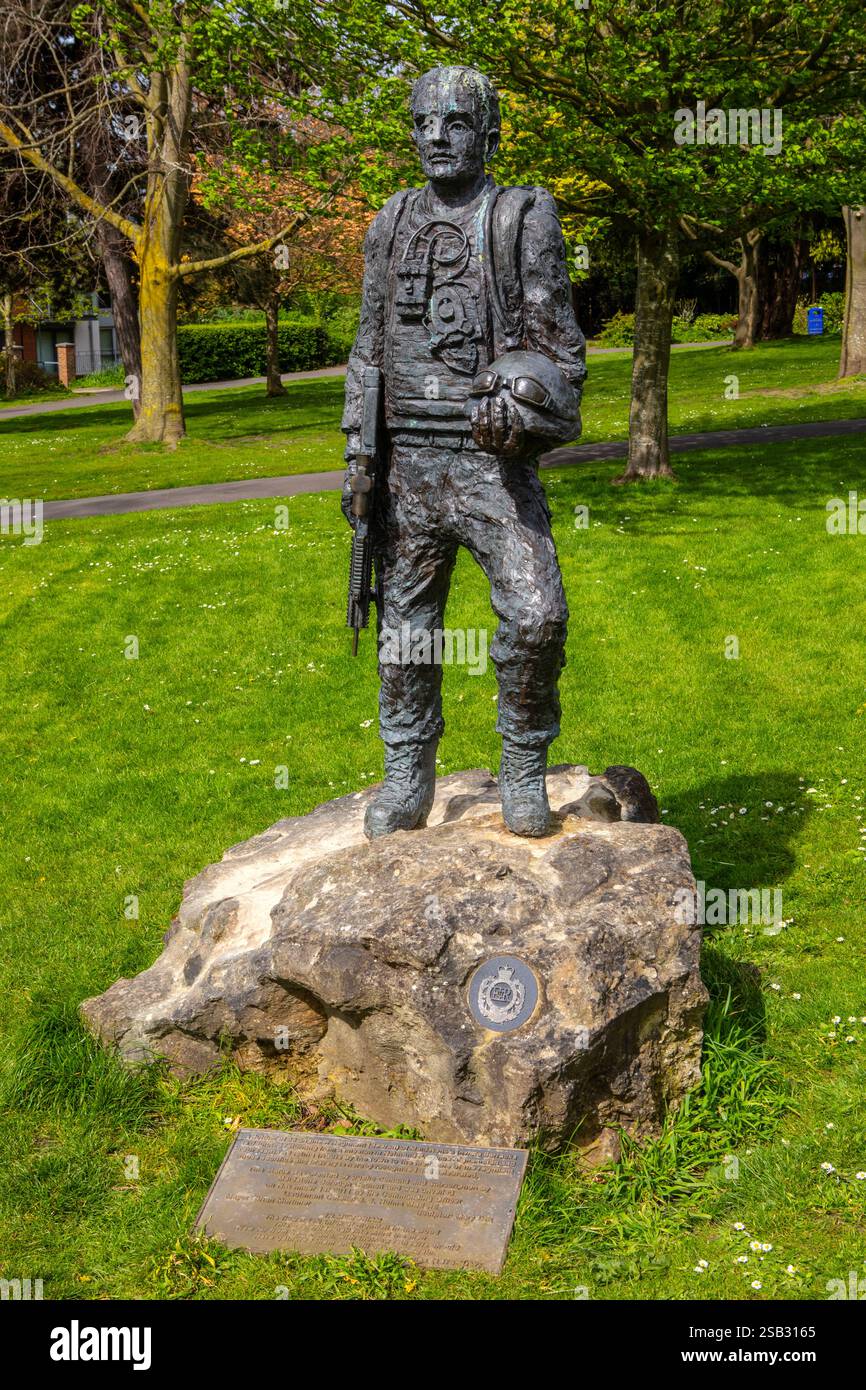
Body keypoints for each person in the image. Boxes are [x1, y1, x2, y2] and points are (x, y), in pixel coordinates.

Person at [341, 64, 586, 840]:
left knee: (538, 615)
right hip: (407, 465)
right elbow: (367, 349)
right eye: (423, 124)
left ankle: (522, 762)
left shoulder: (521, 218)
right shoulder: (390, 222)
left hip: (492, 468)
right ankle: (408, 770)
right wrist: (358, 455)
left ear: (488, 134)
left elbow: (563, 355)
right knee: (407, 628)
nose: (436, 138)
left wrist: (524, 400)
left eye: (454, 124)